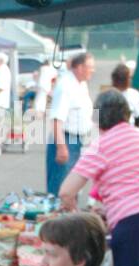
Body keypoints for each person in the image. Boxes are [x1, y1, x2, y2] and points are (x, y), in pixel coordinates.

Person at [60, 90, 139, 266]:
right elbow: (137, 182)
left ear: (97, 118)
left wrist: (77, 218)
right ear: (126, 114)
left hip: (135, 218)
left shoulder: (101, 144)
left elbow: (66, 192)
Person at [45, 51, 94, 196]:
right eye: (90, 67)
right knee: (60, 187)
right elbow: (56, 119)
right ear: (79, 68)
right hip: (65, 139)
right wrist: (61, 147)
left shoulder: (81, 84)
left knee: (73, 188)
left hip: (78, 139)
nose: (93, 70)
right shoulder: (65, 86)